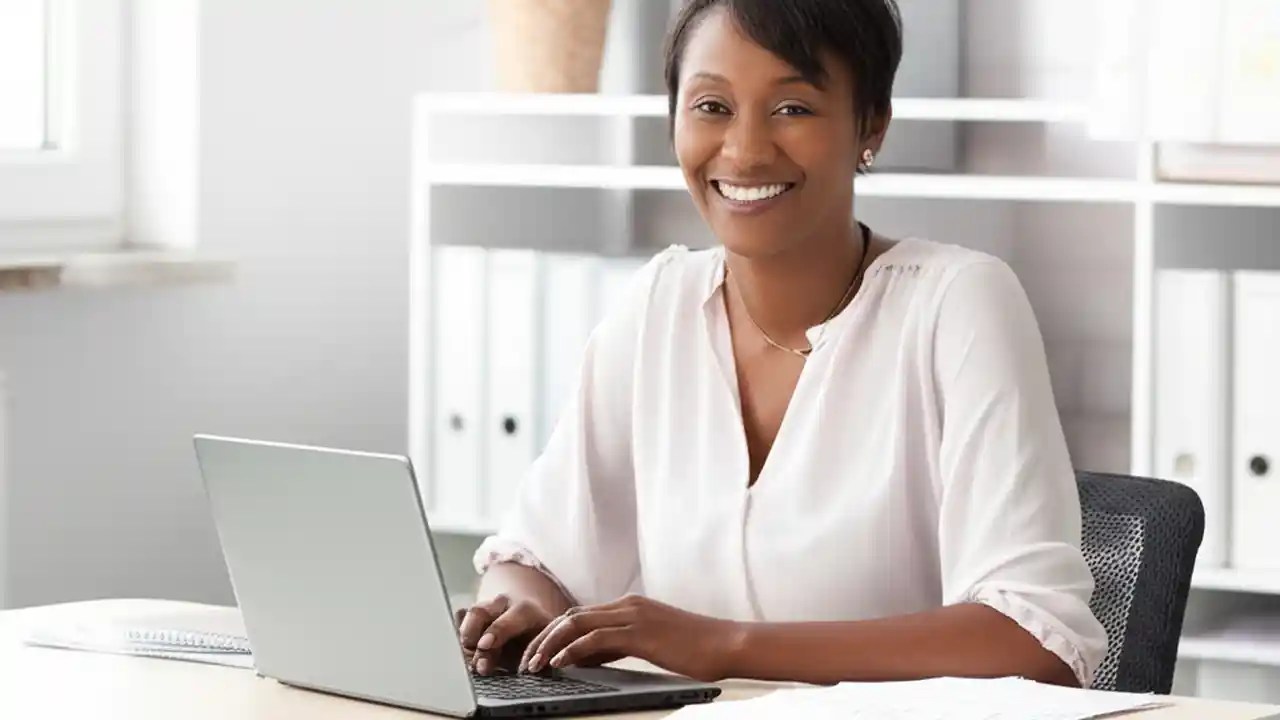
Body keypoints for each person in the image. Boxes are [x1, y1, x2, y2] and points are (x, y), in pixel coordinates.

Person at [455, 0, 1107, 688]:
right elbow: (536, 557)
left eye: (793, 108)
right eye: (712, 107)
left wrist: (725, 646)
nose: (744, 150)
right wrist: (518, 608)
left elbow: (1034, 641)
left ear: (871, 125)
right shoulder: (658, 305)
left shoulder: (958, 304)